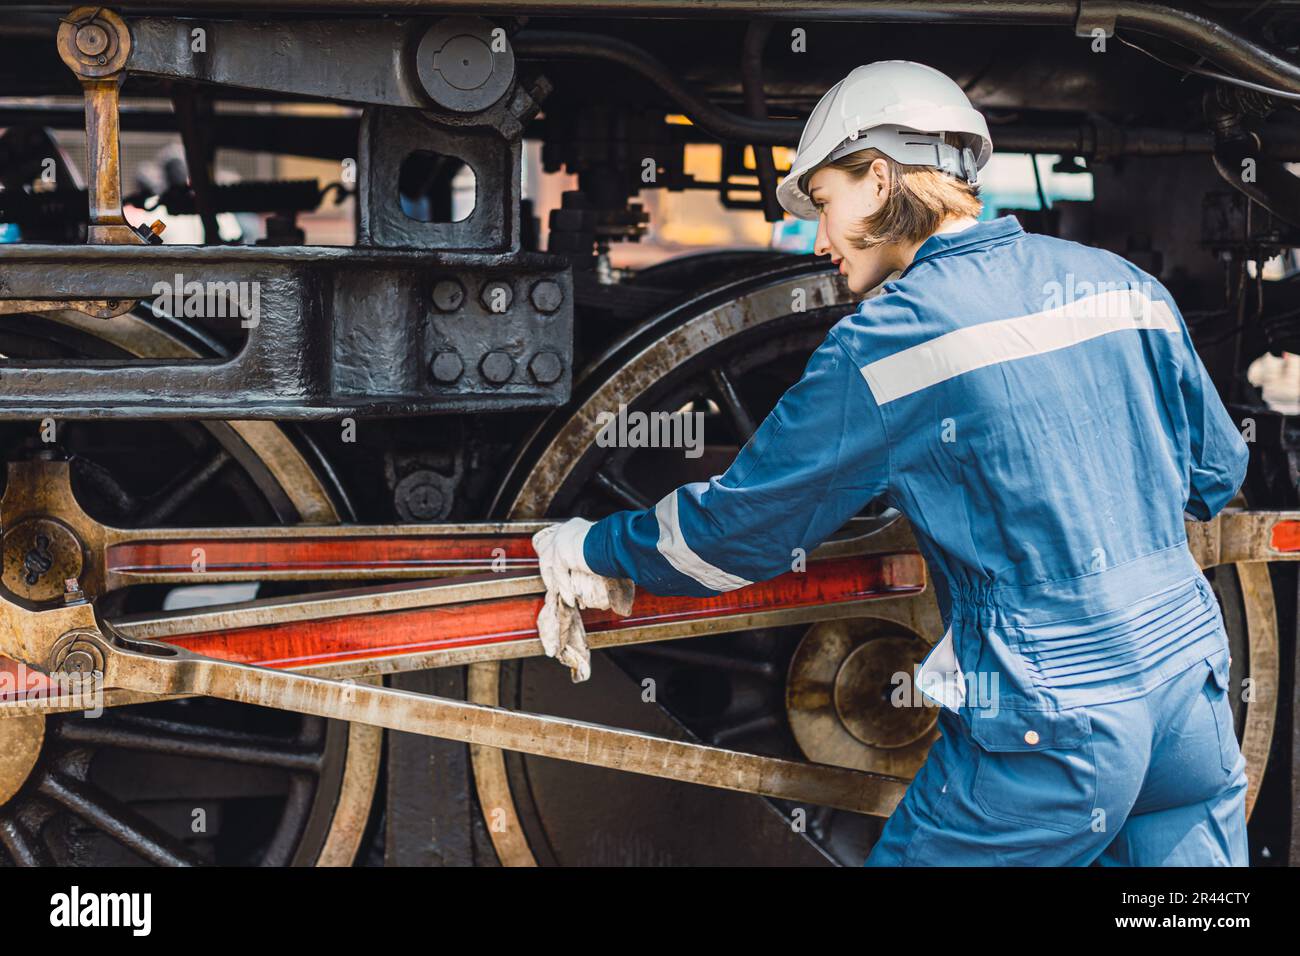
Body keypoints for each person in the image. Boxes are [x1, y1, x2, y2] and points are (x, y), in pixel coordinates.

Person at [532, 60, 1251, 865]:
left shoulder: (889, 344)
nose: (819, 237)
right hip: (1191, 691)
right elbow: (1215, 475)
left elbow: (736, 535)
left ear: (878, 178)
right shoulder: (1122, 284)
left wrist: (588, 548)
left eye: (825, 202)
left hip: (1055, 721)